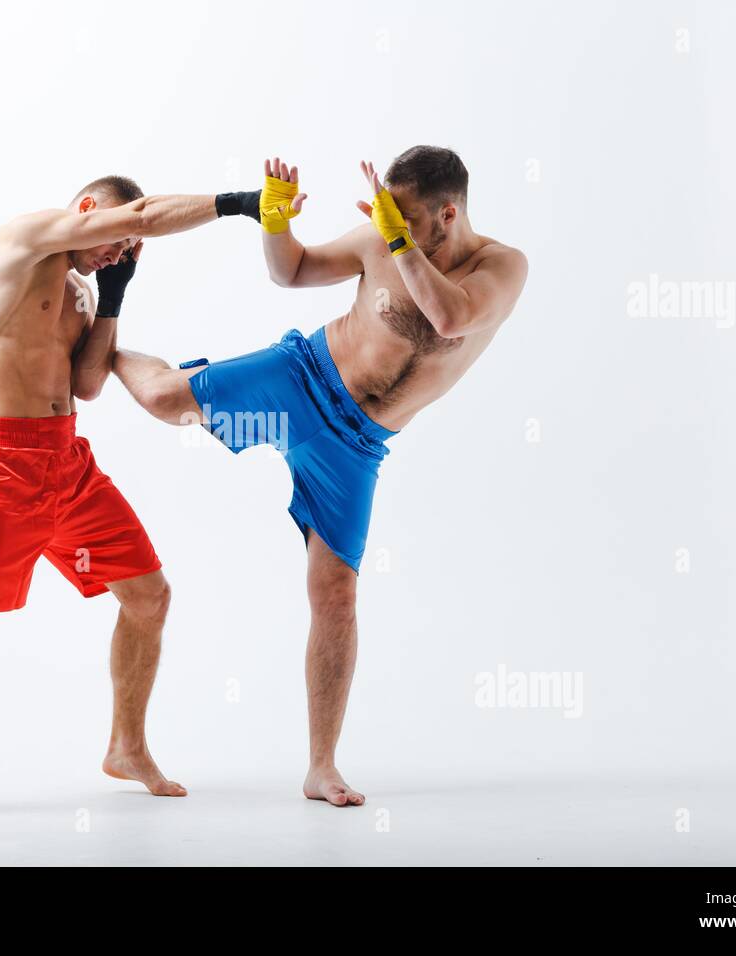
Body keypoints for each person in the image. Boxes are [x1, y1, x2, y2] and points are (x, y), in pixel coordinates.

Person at [113, 148, 529, 806]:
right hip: (301, 381)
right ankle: (106, 347)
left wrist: (395, 236)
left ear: (449, 215)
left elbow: (449, 316)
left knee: (335, 595)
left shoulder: (501, 267)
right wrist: (274, 224)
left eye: (408, 218)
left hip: (356, 447)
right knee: (169, 402)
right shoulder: (382, 236)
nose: (389, 224)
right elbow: (295, 271)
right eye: (388, 215)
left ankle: (321, 767)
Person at [0, 174, 252, 811]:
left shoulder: (83, 294)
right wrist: (240, 204)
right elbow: (135, 215)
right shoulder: (23, 242)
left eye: (125, 249)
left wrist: (113, 294)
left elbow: (86, 384)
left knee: (148, 595)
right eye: (115, 237)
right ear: (86, 211)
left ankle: (126, 746)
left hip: (68, 462)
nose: (118, 250)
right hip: (4, 465)